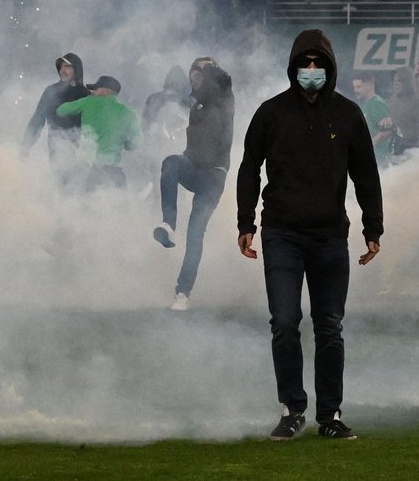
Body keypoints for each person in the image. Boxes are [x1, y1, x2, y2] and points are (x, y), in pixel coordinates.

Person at [237, 29, 383, 441]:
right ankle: (291, 410)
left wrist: (374, 227)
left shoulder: (350, 115)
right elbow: (249, 168)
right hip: (280, 233)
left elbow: (366, 175)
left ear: (331, 67)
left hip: (331, 236)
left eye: (320, 64)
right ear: (293, 67)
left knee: (329, 326)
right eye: (306, 63)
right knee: (284, 322)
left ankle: (331, 415)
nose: (312, 70)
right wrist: (245, 223)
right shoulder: (270, 113)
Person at [153, 57, 233, 311]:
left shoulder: (223, 95)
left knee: (196, 232)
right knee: (170, 163)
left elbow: (224, 80)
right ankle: (168, 224)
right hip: (194, 166)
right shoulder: (194, 102)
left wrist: (209, 66)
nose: (196, 75)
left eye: (201, 71)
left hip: (213, 176)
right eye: (193, 72)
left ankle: (183, 293)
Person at [56, 76, 139, 188]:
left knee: (83, 201)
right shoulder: (129, 112)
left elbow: (61, 110)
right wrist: (125, 143)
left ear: (106, 91)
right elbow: (134, 144)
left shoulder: (88, 101)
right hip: (113, 170)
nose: (93, 91)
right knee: (119, 201)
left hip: (88, 168)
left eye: (96, 89)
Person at [21, 53, 89, 158]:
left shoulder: (86, 95)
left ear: (76, 70)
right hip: (57, 150)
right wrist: (26, 144)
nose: (63, 71)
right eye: (61, 67)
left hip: (83, 151)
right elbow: (38, 119)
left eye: (67, 67)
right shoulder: (52, 91)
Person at [350, 72, 396, 165]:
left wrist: (370, 144)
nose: (355, 90)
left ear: (370, 86)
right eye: (354, 87)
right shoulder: (366, 104)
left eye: (359, 87)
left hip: (378, 159)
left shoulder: (377, 104)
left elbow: (387, 130)